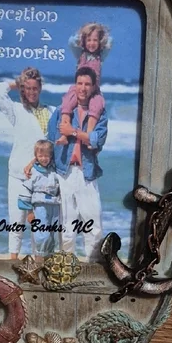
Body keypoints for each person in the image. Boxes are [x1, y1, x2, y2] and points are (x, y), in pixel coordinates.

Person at [47, 66, 108, 262]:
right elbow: (51, 137)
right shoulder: (61, 111)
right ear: (75, 85)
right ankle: (67, 265)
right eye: (79, 83)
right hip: (64, 171)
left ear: (93, 87)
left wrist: (73, 132)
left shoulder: (99, 113)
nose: (83, 88)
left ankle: (94, 265)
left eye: (87, 84)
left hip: (86, 172)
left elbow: (97, 140)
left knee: (93, 222)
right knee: (67, 224)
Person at [0, 67, 53, 260]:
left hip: (41, 178)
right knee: (16, 222)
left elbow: (51, 144)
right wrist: (17, 83)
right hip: (18, 175)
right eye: (28, 88)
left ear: (40, 88)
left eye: (35, 88)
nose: (32, 92)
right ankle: (12, 261)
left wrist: (34, 162)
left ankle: (39, 263)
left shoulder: (50, 111)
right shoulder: (16, 110)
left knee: (39, 225)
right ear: (23, 89)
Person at [55, 23, 112, 146]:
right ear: (84, 41)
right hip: (78, 88)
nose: (92, 43)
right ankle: (64, 135)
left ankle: (88, 135)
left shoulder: (100, 56)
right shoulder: (80, 54)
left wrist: (101, 33)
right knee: (67, 104)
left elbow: (110, 42)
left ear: (100, 41)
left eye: (95, 40)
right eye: (89, 40)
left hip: (94, 90)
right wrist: (81, 35)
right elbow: (71, 42)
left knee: (96, 105)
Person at [17, 140, 61, 258]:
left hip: (55, 205)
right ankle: (39, 257)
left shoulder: (54, 170)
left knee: (53, 234)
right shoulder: (33, 172)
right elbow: (26, 191)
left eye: (46, 156)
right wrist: (30, 212)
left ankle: (50, 258)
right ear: (36, 157)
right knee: (42, 234)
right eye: (40, 156)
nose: (44, 159)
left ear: (51, 156)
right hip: (40, 206)